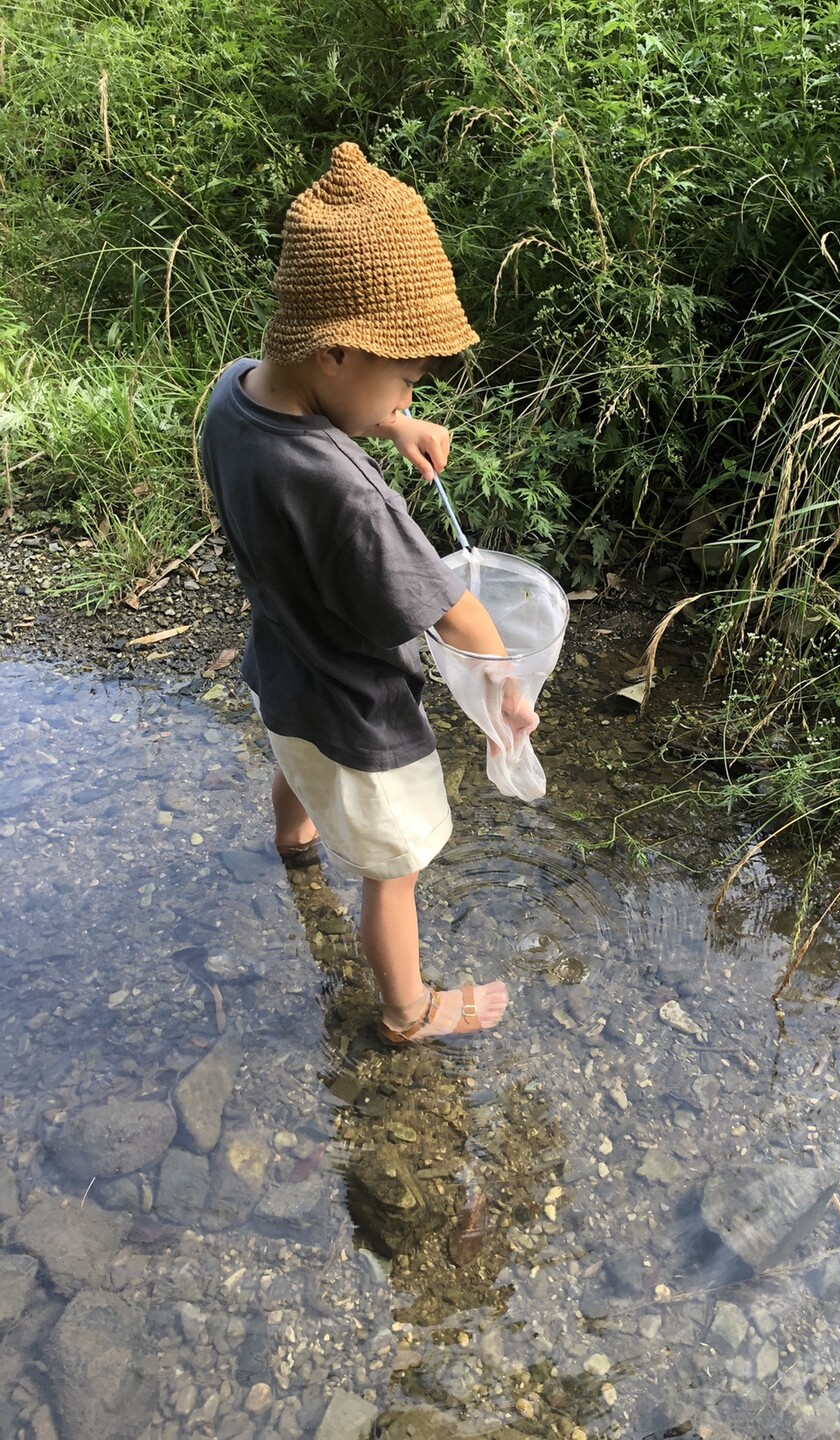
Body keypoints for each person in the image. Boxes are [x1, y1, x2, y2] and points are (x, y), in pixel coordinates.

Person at [199, 142, 537, 1043]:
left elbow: (318, 400)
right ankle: (407, 1009)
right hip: (359, 709)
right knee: (395, 866)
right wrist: (506, 687)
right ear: (339, 352)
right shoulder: (350, 497)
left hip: (282, 668)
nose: (409, 392)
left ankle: (294, 844)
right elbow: (451, 609)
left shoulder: (232, 394)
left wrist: (390, 419)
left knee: (293, 763)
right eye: (406, 377)